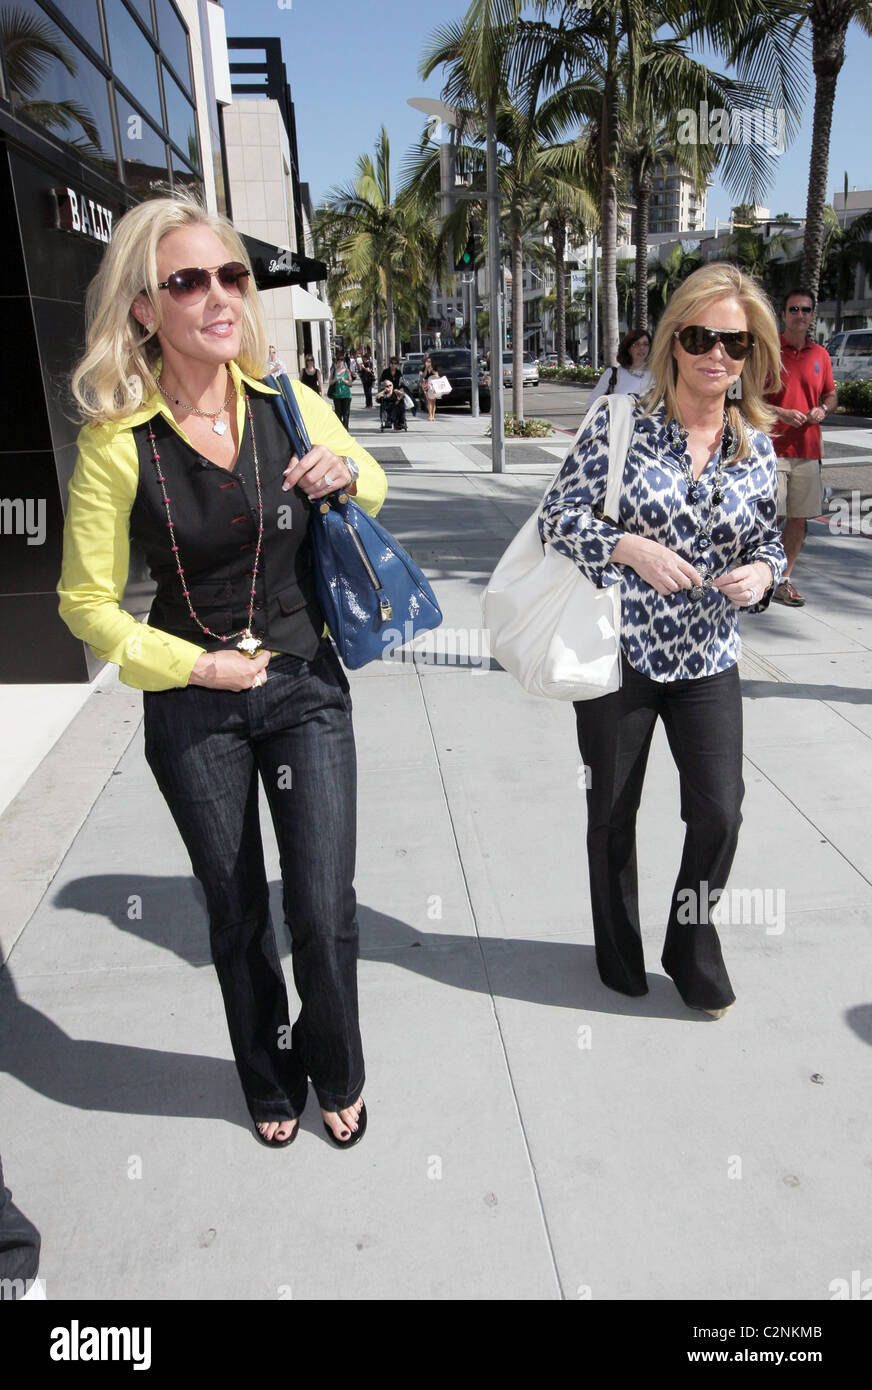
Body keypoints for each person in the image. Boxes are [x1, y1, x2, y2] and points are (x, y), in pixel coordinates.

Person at [59, 194, 388, 1149]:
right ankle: (268, 1074)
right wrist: (189, 666)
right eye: (188, 281)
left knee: (323, 907)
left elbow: (373, 478)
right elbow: (85, 602)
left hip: (305, 688)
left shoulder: (289, 402)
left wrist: (342, 471)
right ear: (143, 309)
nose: (219, 295)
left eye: (231, 275)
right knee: (238, 909)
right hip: (193, 709)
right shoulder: (117, 444)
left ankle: (341, 1064)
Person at [539, 263, 786, 1017]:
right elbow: (558, 517)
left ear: (753, 353)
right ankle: (617, 952)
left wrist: (762, 577)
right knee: (611, 812)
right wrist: (629, 548)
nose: (718, 355)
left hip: (709, 656)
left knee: (720, 811)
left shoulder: (757, 448)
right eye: (701, 336)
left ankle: (690, 935)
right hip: (622, 652)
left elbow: (770, 544)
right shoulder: (620, 425)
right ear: (673, 340)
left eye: (735, 343)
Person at [765, 288, 837, 606]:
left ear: (812, 315)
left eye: (805, 310)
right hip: (772, 448)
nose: (800, 315)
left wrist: (823, 408)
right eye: (794, 309)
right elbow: (744, 396)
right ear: (783, 315)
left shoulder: (820, 355)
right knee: (769, 517)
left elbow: (830, 394)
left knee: (798, 519)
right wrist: (780, 412)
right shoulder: (769, 351)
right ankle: (758, 575)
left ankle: (783, 580)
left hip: (808, 450)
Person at [588, 329, 653, 404]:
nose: (642, 348)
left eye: (645, 344)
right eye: (636, 344)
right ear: (628, 349)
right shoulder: (612, 374)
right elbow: (591, 404)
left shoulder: (658, 376)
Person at [329, 351, 353, 429]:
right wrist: (335, 379)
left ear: (343, 361)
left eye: (342, 360)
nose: (340, 362)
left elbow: (350, 383)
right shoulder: (333, 371)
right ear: (336, 361)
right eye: (338, 360)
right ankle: (340, 429)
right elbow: (330, 383)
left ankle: (345, 428)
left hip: (346, 395)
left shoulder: (347, 371)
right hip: (337, 395)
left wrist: (344, 380)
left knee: (346, 414)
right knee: (338, 414)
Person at [420, 355, 438, 422]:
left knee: (433, 401)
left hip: (433, 385)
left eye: (429, 361)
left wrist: (432, 370)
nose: (428, 363)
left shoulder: (434, 367)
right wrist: (426, 369)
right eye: (427, 361)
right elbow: (424, 376)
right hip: (427, 385)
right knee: (429, 400)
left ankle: (433, 415)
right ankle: (430, 415)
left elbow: (437, 375)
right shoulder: (424, 368)